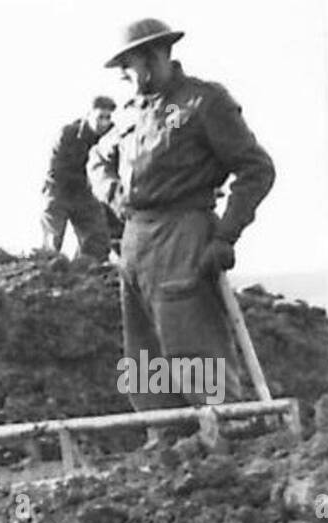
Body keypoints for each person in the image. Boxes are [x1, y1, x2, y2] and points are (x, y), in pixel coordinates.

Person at [88, 18, 274, 442]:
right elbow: (97, 160)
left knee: (192, 350)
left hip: (183, 235)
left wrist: (225, 235)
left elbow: (256, 169)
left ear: (154, 58)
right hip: (135, 242)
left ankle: (225, 444)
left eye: (129, 65)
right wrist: (117, 198)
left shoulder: (204, 103)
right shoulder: (130, 113)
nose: (124, 76)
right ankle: (168, 445)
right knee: (145, 357)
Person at [41, 96, 116, 260]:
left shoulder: (112, 136)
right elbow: (57, 169)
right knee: (52, 241)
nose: (104, 123)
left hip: (86, 194)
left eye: (108, 118)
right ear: (89, 115)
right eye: (100, 117)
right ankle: (47, 270)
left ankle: (86, 273)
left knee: (98, 240)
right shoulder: (68, 133)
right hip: (59, 189)